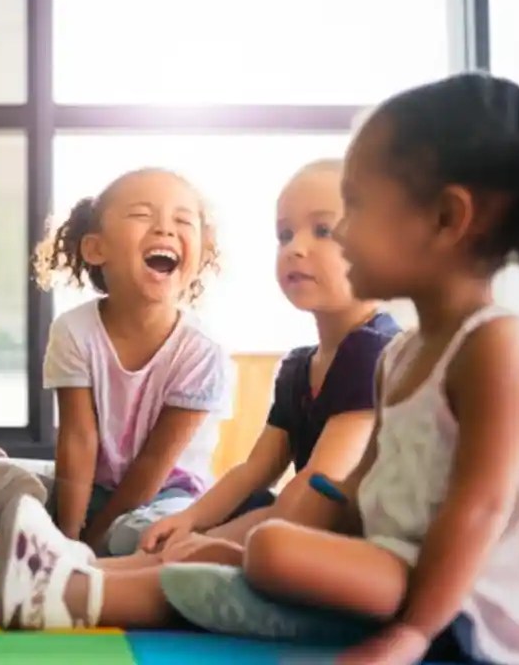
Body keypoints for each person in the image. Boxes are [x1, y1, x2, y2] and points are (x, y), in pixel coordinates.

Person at [0, 73, 519, 665]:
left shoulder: (499, 349)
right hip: (397, 568)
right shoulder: (402, 355)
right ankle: (76, 579)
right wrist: (225, 546)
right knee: (245, 552)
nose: (332, 235)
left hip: (490, 608)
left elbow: (479, 511)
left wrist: (413, 632)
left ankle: (79, 589)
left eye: (353, 211)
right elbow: (355, 486)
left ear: (446, 219)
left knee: (272, 552)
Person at [127, 159, 401, 564]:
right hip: (302, 529)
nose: (296, 248)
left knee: (192, 568)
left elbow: (318, 489)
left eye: (323, 231)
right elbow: (256, 469)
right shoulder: (298, 368)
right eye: (285, 234)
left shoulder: (374, 352)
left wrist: (212, 545)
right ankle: (95, 573)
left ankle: (89, 579)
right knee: (228, 518)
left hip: (357, 552)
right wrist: (191, 520)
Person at [0, 168, 232, 557]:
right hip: (95, 488)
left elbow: (153, 464)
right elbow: (78, 439)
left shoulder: (202, 352)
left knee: (141, 535)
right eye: (142, 215)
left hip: (168, 495)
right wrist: (68, 536)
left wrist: (88, 547)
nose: (165, 230)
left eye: (182, 220)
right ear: (96, 249)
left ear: (201, 255)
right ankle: (50, 537)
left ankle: (64, 540)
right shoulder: (74, 331)